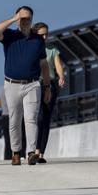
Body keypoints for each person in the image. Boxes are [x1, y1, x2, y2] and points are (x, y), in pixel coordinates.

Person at [0, 7, 51, 166]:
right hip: (12, 84)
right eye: (22, 18)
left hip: (32, 84)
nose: (25, 21)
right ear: (18, 19)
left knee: (31, 118)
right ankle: (16, 152)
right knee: (15, 119)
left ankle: (31, 152)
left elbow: (44, 64)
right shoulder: (10, 36)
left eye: (28, 18)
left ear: (32, 20)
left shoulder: (38, 40)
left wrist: (47, 86)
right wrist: (13, 18)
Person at [32, 23, 66, 163]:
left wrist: (61, 76)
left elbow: (58, 65)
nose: (45, 37)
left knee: (45, 119)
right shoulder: (32, 49)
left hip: (50, 85)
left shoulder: (52, 50)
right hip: (35, 84)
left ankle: (40, 153)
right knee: (37, 118)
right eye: (41, 34)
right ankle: (34, 150)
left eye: (46, 34)